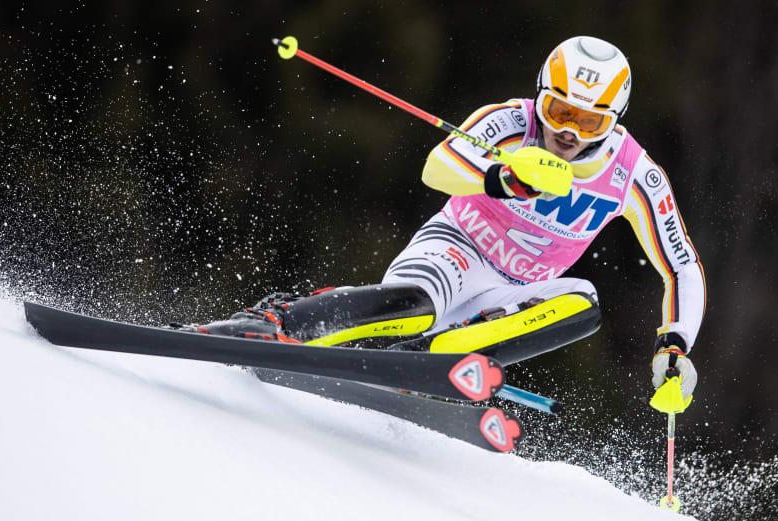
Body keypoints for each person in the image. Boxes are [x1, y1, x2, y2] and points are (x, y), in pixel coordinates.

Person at [189, 36, 706, 401]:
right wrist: (502, 179)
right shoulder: (510, 120)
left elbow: (680, 266)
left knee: (585, 304)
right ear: (540, 96)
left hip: (508, 298)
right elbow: (437, 167)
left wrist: (675, 344)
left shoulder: (635, 173)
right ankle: (277, 322)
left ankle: (423, 361)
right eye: (558, 111)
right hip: (458, 249)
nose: (567, 131)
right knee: (415, 304)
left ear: (613, 121)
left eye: (587, 120)